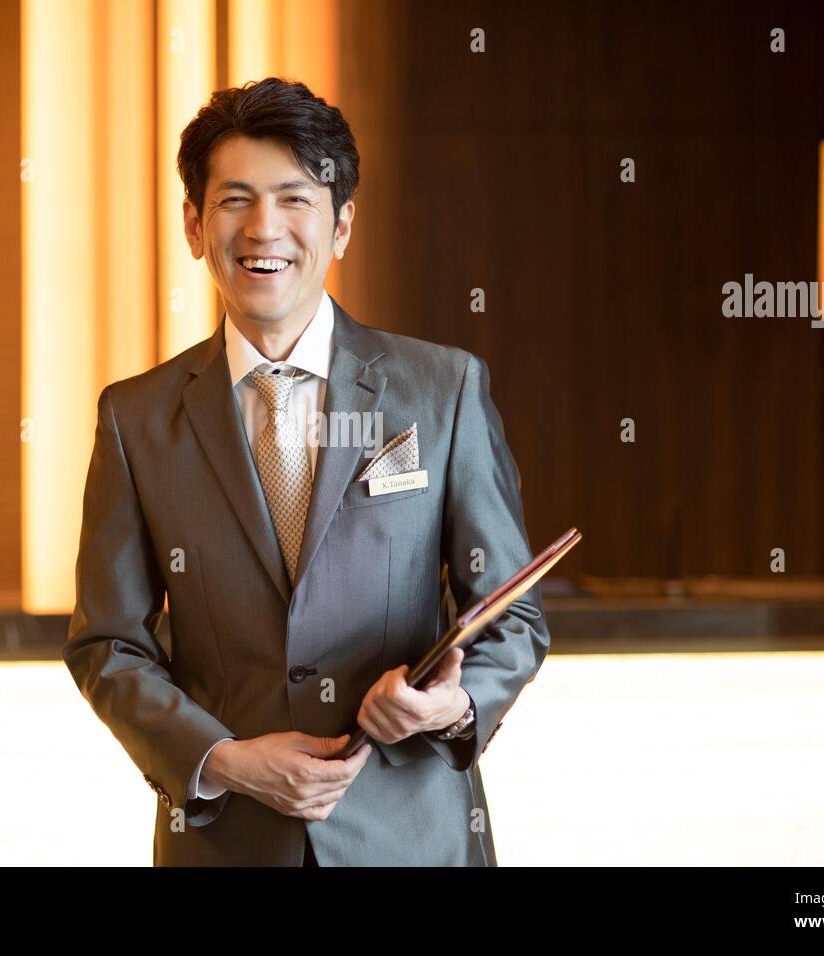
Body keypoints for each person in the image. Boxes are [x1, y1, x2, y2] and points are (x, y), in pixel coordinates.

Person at [63, 77, 548, 866]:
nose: (265, 228)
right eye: (234, 200)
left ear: (342, 224)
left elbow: (513, 619)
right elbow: (106, 645)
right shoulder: (136, 418)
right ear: (193, 223)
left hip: (413, 839)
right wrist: (221, 759)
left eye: (295, 198)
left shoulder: (443, 389)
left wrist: (449, 703)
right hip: (226, 842)